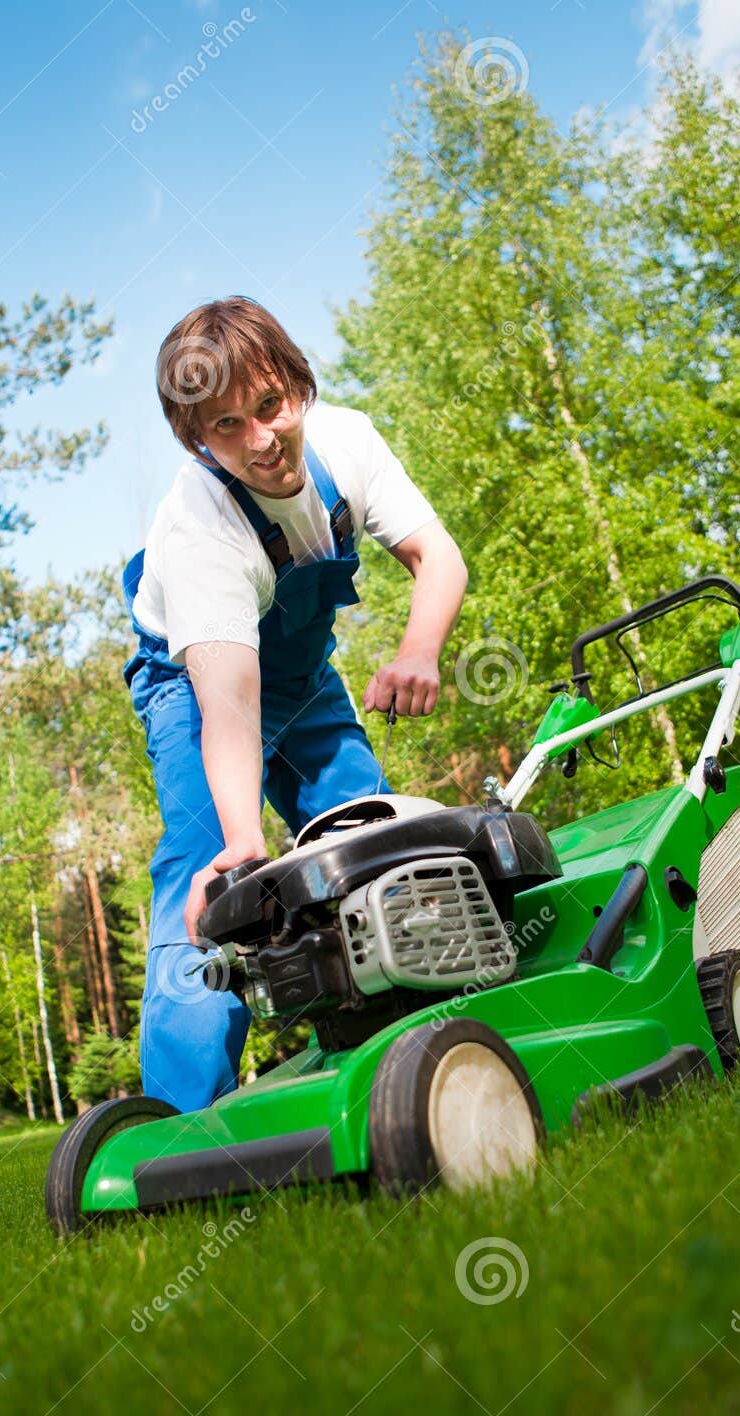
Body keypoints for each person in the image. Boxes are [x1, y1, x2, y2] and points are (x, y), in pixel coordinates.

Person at [123, 295, 468, 1113]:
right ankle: (182, 1120)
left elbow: (437, 555)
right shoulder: (199, 530)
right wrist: (244, 839)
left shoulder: (346, 443)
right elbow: (229, 707)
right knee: (202, 873)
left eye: (269, 407)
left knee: (371, 836)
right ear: (197, 440)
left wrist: (419, 651)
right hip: (196, 691)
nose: (260, 440)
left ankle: (408, 1046)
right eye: (227, 428)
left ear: (297, 385)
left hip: (305, 677)